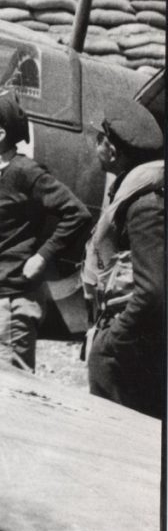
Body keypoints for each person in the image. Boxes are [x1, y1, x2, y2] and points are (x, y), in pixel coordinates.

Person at [0, 92, 90, 371]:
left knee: (10, 393)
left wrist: (43, 256)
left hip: (10, 303)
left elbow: (77, 213)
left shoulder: (24, 171)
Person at [84, 98, 164, 418]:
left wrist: (112, 342)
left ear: (113, 150)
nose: (95, 145)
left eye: (98, 139)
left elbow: (153, 291)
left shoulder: (144, 205)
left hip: (130, 354)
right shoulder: (129, 193)